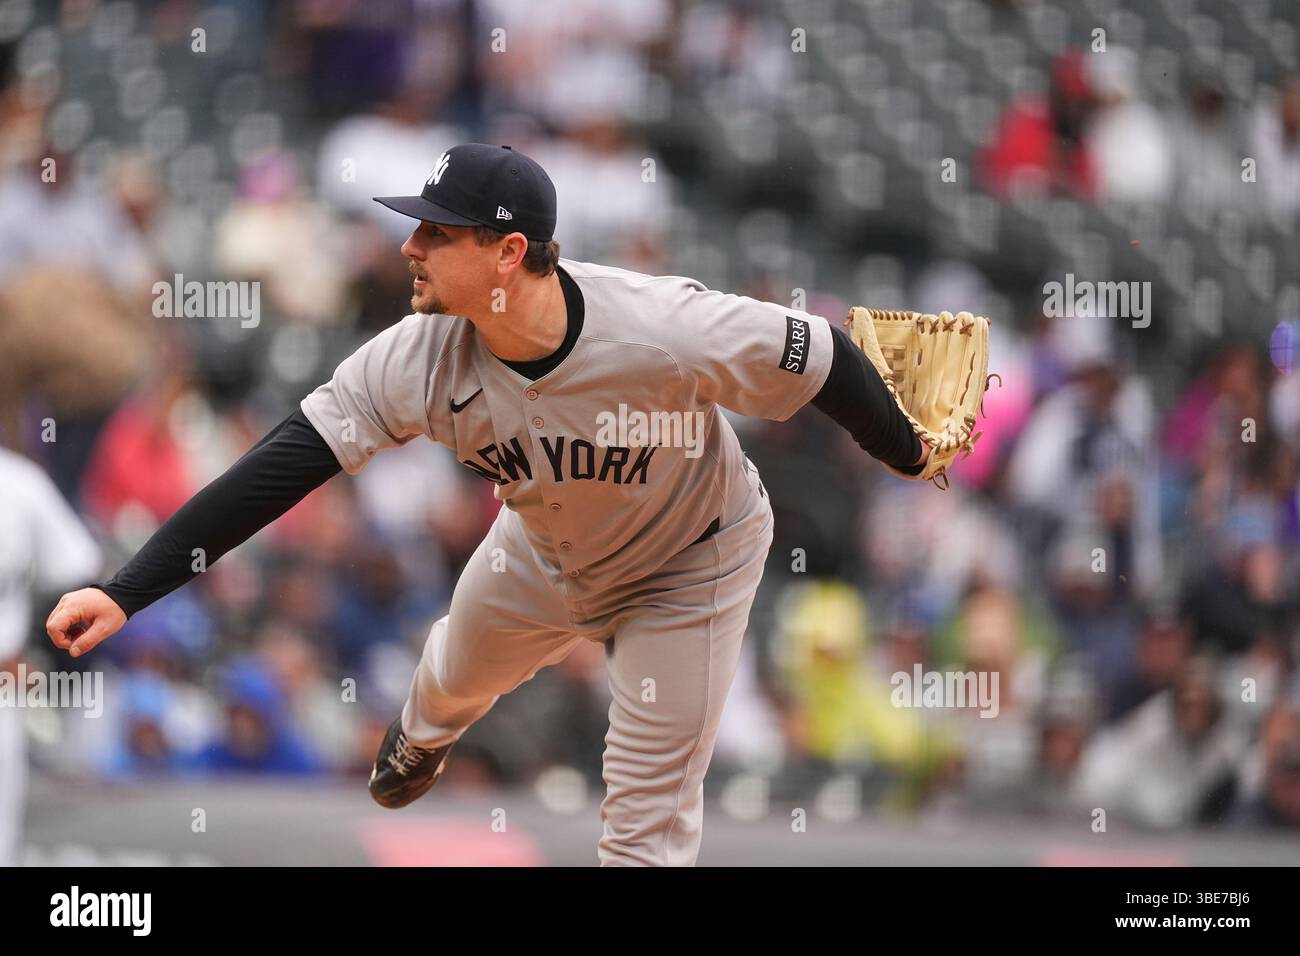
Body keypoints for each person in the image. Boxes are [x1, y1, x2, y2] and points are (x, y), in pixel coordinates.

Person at [46, 143, 929, 866]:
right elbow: (279, 468)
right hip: (545, 547)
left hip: (691, 561)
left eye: (436, 231)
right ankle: (424, 737)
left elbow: (825, 357)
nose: (409, 247)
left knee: (644, 828)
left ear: (509, 253)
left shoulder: (661, 327)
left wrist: (907, 447)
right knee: (446, 684)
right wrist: (127, 591)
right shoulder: (418, 356)